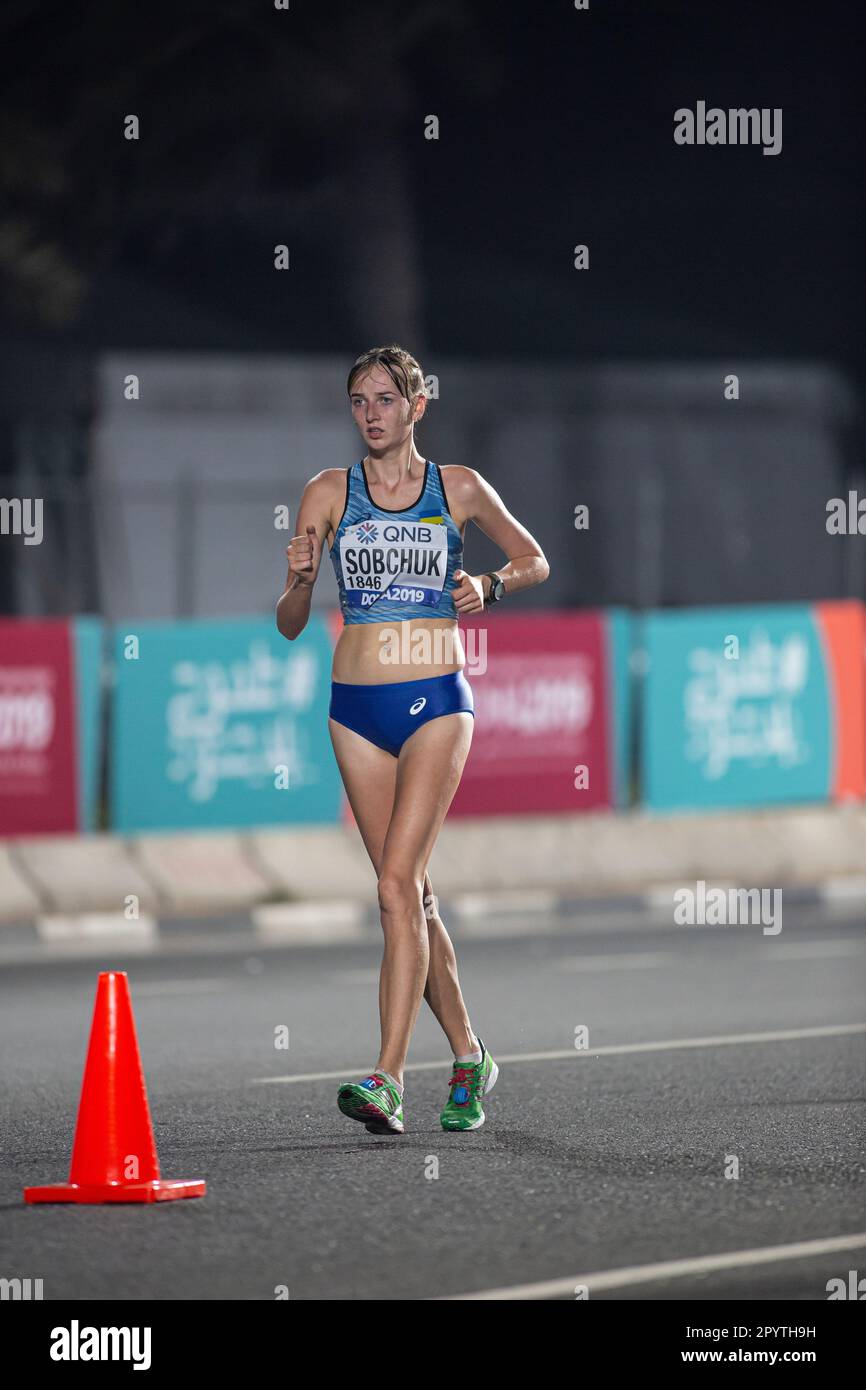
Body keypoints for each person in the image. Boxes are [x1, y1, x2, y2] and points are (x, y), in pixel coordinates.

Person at [276, 344, 549, 1133]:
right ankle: (469, 1055)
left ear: (418, 405)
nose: (371, 412)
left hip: (435, 700)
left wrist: (491, 583)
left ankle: (387, 1078)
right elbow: (292, 626)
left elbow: (535, 557)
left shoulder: (455, 487)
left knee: (395, 887)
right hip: (354, 709)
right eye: (359, 399)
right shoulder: (327, 492)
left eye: (386, 399)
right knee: (414, 897)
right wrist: (298, 579)